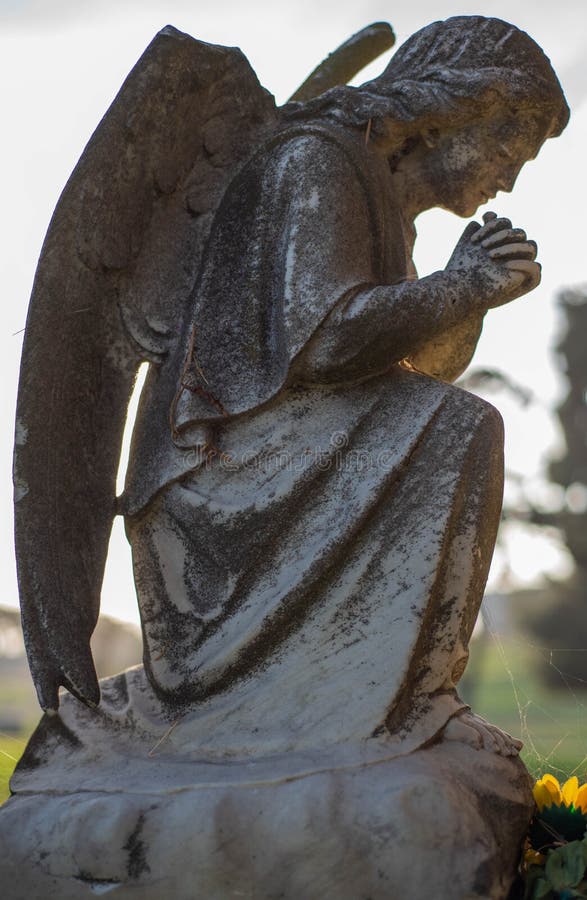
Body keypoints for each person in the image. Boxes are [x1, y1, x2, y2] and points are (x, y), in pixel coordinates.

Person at [110, 15, 568, 756]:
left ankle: (398, 701)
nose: (507, 175)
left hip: (274, 444)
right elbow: (329, 343)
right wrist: (460, 286)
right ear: (459, 107)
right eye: (508, 145)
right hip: (218, 471)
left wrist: (470, 292)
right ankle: (384, 706)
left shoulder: (385, 200)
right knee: (460, 425)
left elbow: (407, 371)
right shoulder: (318, 160)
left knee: (450, 419)